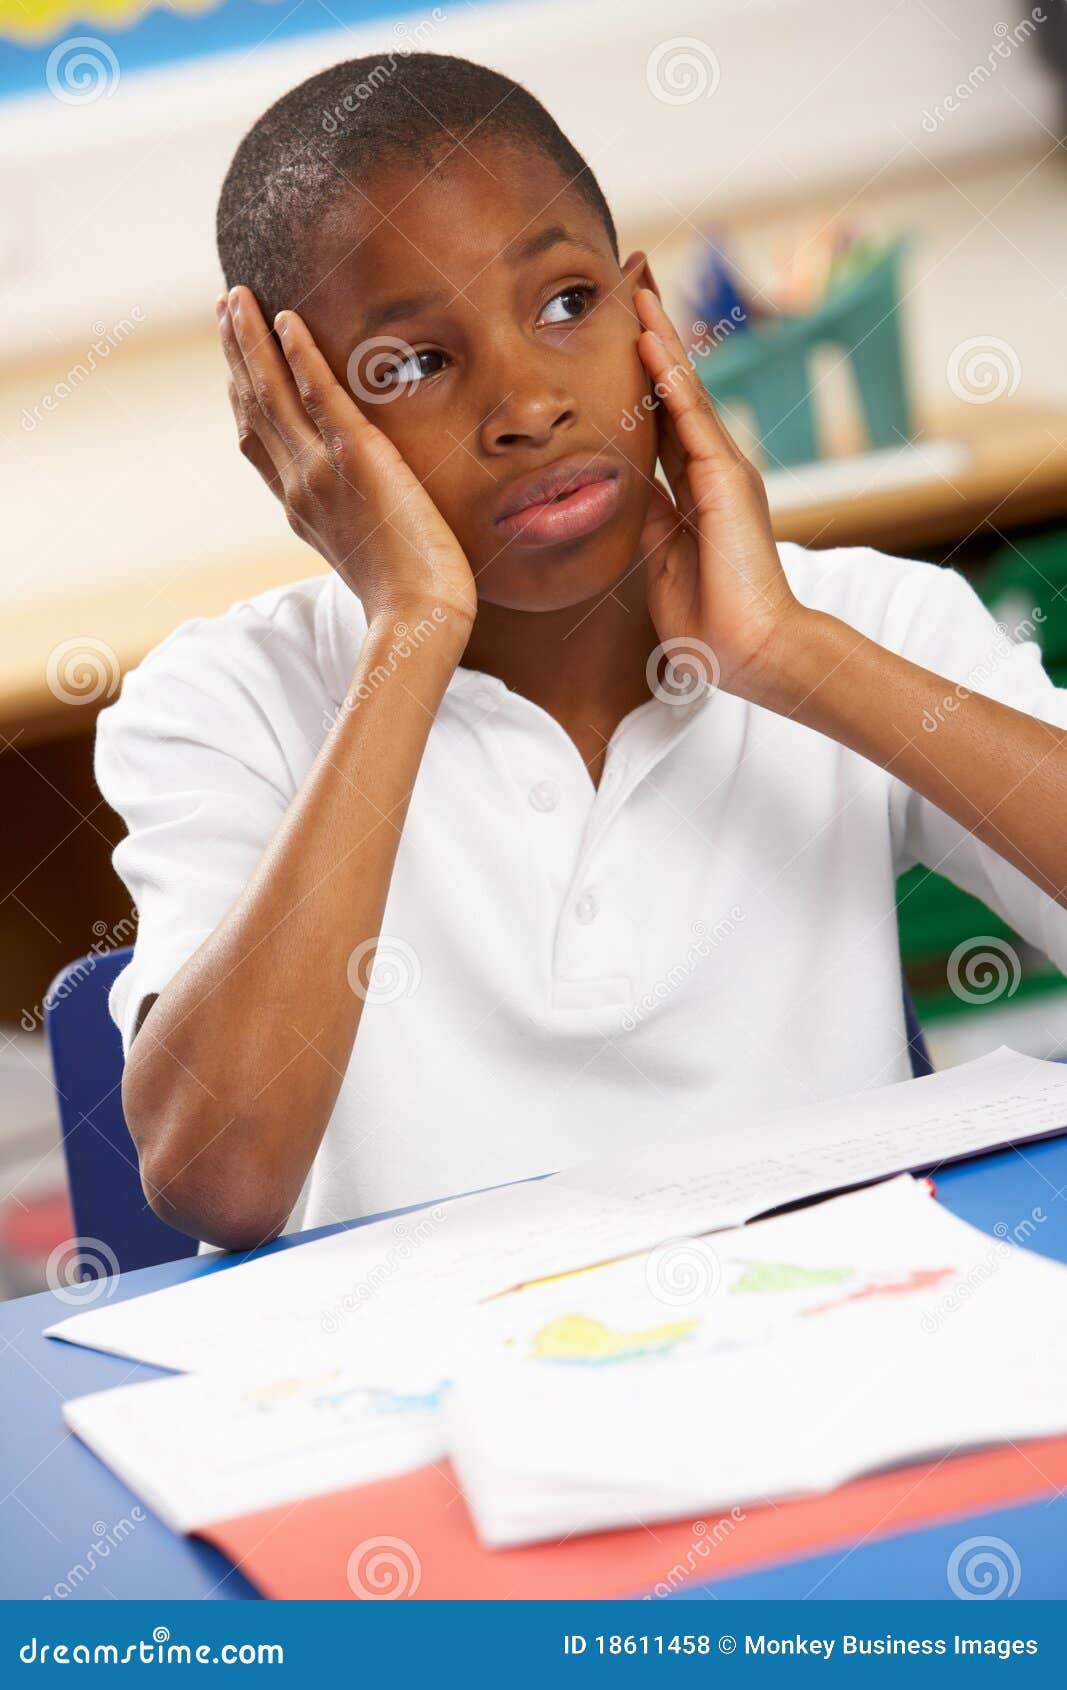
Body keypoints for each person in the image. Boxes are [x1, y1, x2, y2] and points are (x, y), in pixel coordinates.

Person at [97, 53, 1067, 1252]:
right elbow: (219, 1180)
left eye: (565, 303)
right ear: (295, 422)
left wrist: (789, 654)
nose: (527, 404)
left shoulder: (860, 621)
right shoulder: (222, 704)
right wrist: (411, 634)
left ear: (645, 315)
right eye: (412, 364)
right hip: (440, 1361)